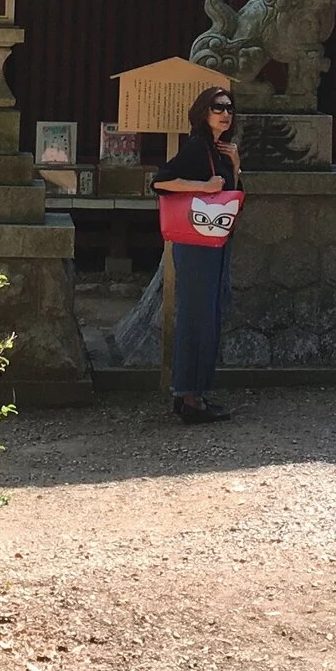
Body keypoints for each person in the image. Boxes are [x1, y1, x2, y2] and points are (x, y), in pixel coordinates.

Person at [153, 84, 240, 424]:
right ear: (204, 111)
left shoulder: (220, 150)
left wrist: (236, 163)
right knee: (197, 315)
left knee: (212, 312)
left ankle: (195, 393)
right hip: (196, 242)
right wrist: (203, 187)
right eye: (218, 107)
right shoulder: (196, 146)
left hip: (215, 239)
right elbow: (160, 182)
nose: (225, 114)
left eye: (230, 108)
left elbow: (233, 195)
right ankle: (189, 396)